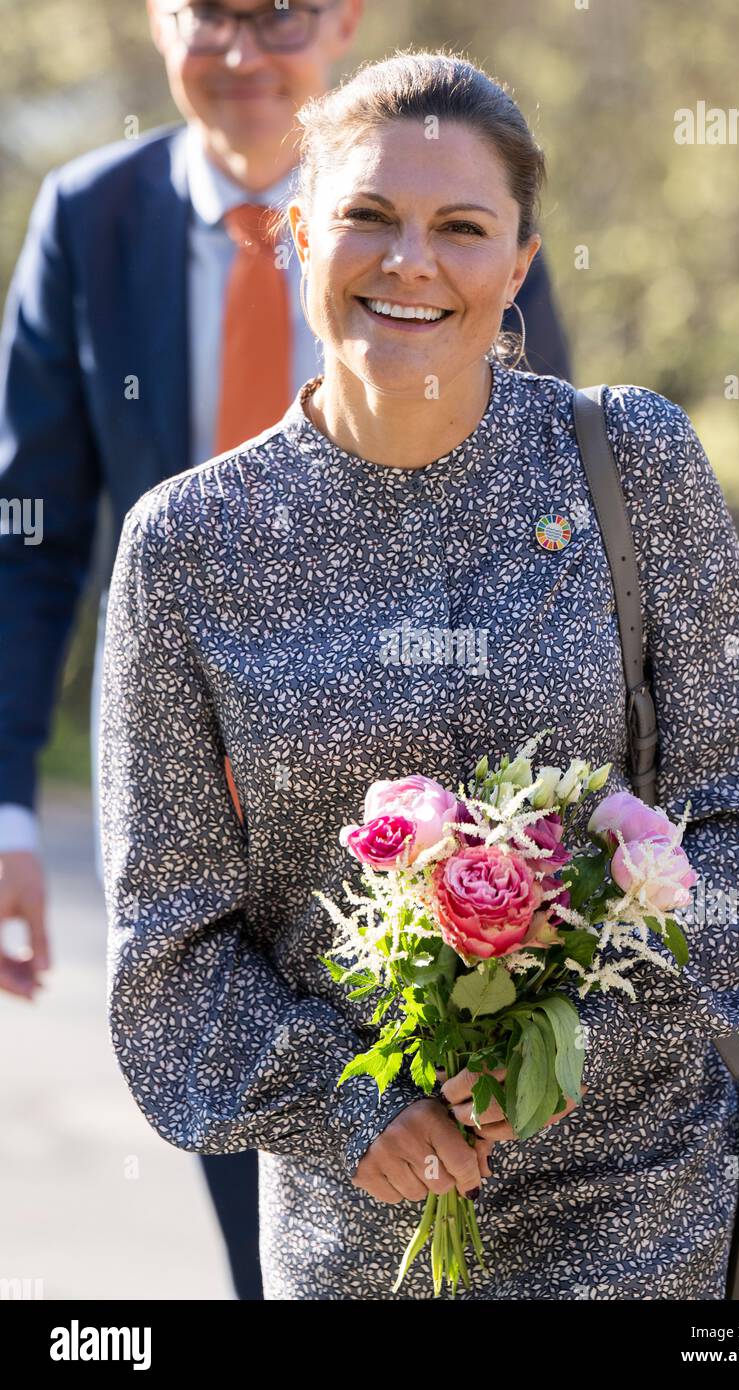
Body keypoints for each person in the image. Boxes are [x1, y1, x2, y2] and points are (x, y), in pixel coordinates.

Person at [100, 48, 739, 1300]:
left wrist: (565, 1045)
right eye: (367, 216)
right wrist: (349, 1102)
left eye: (460, 227)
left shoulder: (628, 461)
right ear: (295, 234)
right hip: (354, 1246)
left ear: (519, 264)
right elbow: (168, 957)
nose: (409, 261)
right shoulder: (186, 546)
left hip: (645, 1224)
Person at [0, 3, 571, 1300]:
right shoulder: (89, 222)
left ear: (345, 19)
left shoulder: (453, 194)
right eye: (211, 9)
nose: (245, 49)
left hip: (442, 839)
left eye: (283, 11)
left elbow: (540, 508)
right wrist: (7, 807)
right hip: (213, 830)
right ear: (157, 22)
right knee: (290, 1213)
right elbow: (25, 536)